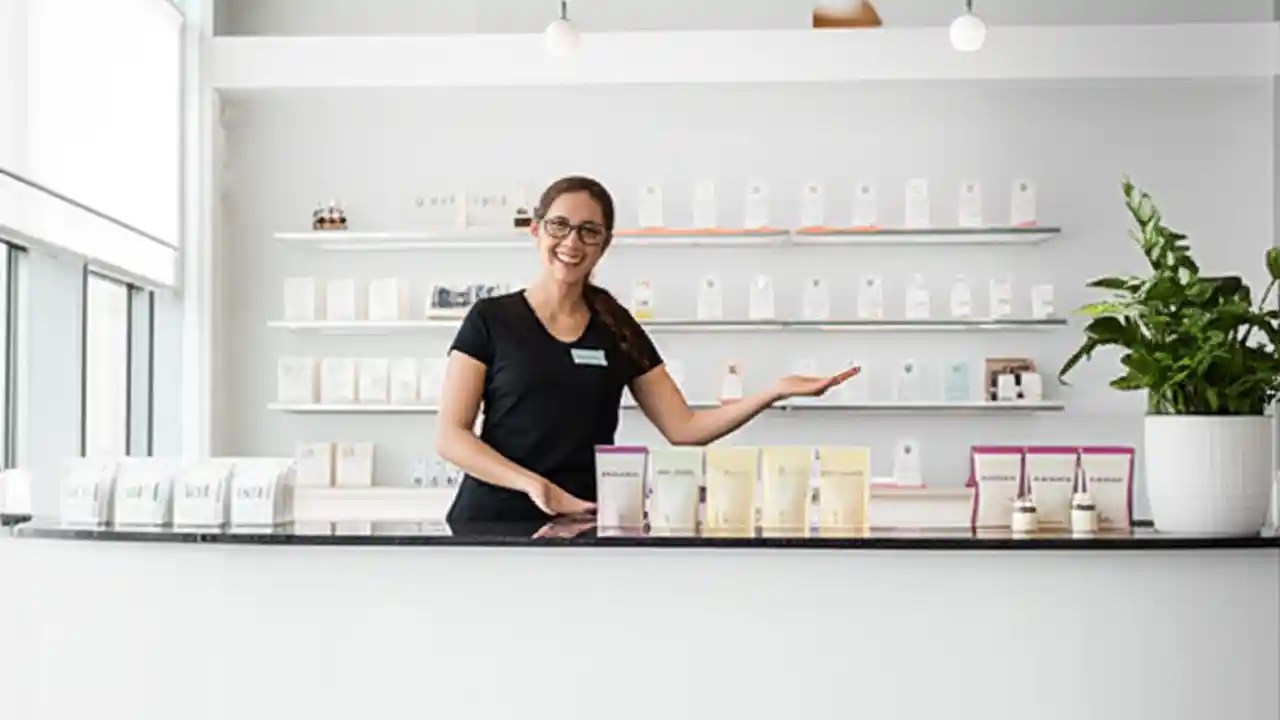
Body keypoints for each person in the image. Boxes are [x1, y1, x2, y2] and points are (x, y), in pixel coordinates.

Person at [437, 176, 857, 524]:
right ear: (536, 229)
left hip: (583, 521)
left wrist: (775, 391)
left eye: (589, 231)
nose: (572, 242)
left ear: (604, 243)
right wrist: (534, 484)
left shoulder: (615, 328)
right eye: (559, 225)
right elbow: (451, 437)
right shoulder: (490, 319)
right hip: (491, 521)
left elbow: (685, 428)